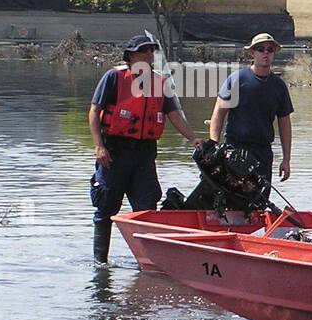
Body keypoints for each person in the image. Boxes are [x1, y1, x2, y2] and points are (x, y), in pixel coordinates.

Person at [89, 32, 200, 262]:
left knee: (146, 211)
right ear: (131, 56)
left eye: (151, 51)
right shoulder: (114, 78)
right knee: (106, 209)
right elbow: (94, 112)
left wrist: (193, 139)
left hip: (144, 156)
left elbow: (175, 116)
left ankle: (147, 264)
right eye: (143, 51)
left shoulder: (160, 82)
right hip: (114, 154)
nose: (149, 55)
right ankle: (100, 263)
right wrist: (99, 146)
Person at [209, 33, 293, 195]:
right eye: (261, 49)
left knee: (259, 199)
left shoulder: (278, 86)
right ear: (252, 53)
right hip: (235, 148)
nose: (265, 53)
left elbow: (284, 124)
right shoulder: (237, 79)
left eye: (270, 50)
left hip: (263, 152)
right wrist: (214, 145)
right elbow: (218, 114)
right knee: (231, 195)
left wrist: (286, 159)